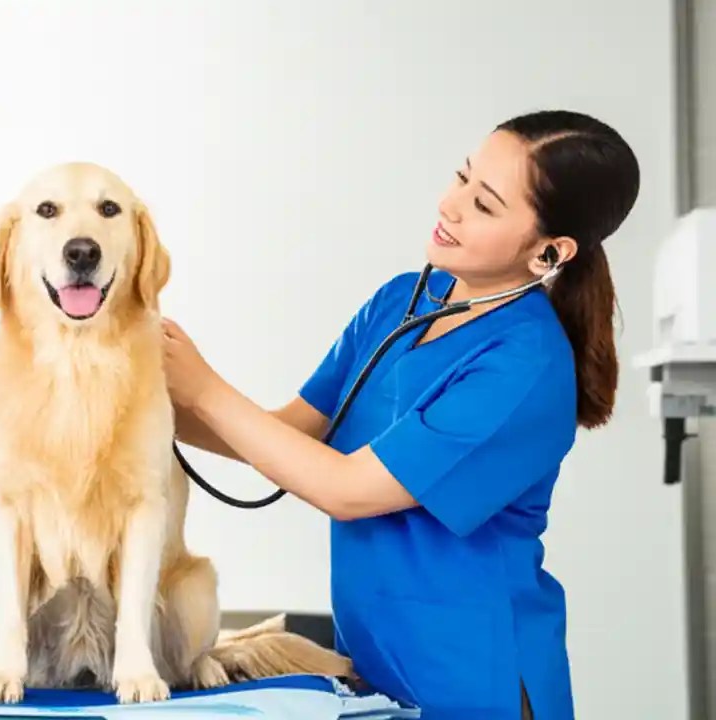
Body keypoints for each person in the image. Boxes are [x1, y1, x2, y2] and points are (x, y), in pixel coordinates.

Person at [161, 109, 639, 720]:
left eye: (485, 205)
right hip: (377, 672)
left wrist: (201, 386)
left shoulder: (526, 366)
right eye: (461, 177)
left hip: (473, 683)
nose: (451, 205)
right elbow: (289, 437)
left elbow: (346, 489)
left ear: (551, 251)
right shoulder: (399, 301)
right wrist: (143, 404)